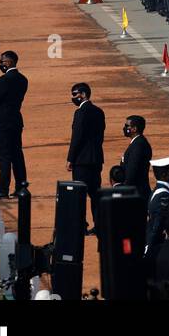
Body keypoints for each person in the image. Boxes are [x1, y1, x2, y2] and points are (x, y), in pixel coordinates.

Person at [67, 82, 106, 235]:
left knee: (80, 195)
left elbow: (77, 137)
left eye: (75, 94)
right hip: (96, 159)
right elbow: (100, 135)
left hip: (82, 161)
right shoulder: (99, 111)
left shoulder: (80, 113)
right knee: (95, 194)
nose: (73, 97)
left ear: (83, 94)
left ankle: (81, 226)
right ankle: (99, 225)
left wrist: (71, 158)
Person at [0, 50, 29, 199]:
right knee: (17, 154)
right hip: (15, 120)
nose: (1, 64)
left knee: (4, 156)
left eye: (3, 61)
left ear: (11, 62)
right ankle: (21, 186)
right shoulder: (23, 79)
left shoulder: (4, 80)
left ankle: (3, 188)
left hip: (2, 122)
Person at [145, 155, 169, 254]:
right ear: (165, 175)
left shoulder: (159, 190)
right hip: (159, 246)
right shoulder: (163, 195)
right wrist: (149, 249)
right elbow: (157, 226)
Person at [120, 115, 153, 200]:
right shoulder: (138, 143)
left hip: (136, 194)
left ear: (134, 129)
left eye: (127, 126)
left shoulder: (139, 145)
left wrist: (124, 191)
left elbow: (132, 172)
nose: (124, 128)